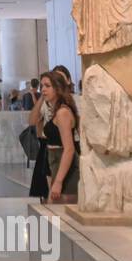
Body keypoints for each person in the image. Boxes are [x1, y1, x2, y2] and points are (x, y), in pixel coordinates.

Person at [42, 70, 80, 204]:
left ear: (57, 88)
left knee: (58, 214)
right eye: (42, 86)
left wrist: (58, 181)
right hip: (56, 164)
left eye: (47, 86)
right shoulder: (58, 110)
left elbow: (69, 149)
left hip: (65, 167)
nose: (43, 90)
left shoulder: (63, 112)